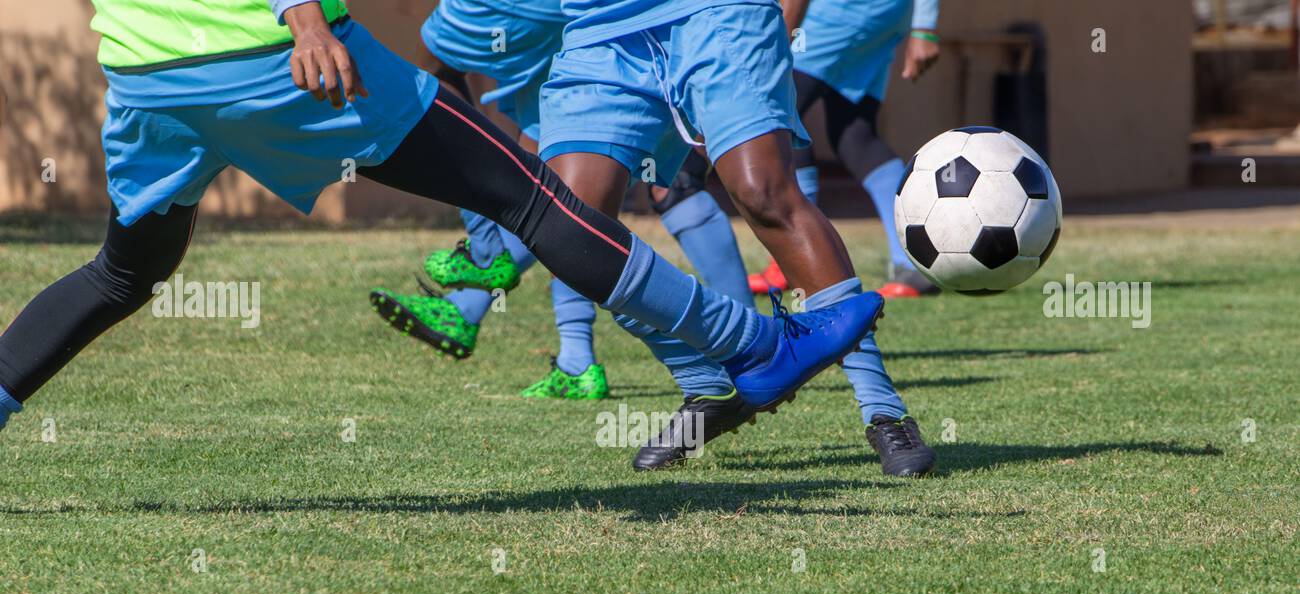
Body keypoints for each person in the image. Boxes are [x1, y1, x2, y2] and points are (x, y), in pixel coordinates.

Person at [0, 1, 878, 457]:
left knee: (125, 271)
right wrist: (304, 17)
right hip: (270, 51)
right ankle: (749, 348)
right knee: (530, 196)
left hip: (148, 72)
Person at [535, 0, 936, 475]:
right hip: (599, 28)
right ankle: (709, 385)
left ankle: (884, 410)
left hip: (717, 12)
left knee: (764, 194)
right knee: (572, 232)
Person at [370, 0, 755, 404]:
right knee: (564, 192)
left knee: (436, 65)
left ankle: (483, 268)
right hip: (592, 19)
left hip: (612, 22)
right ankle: (575, 359)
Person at [750, 0, 944, 300]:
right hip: (875, 14)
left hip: (843, 11)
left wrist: (925, 29)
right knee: (855, 136)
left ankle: (791, 260)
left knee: (781, 111)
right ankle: (914, 263)